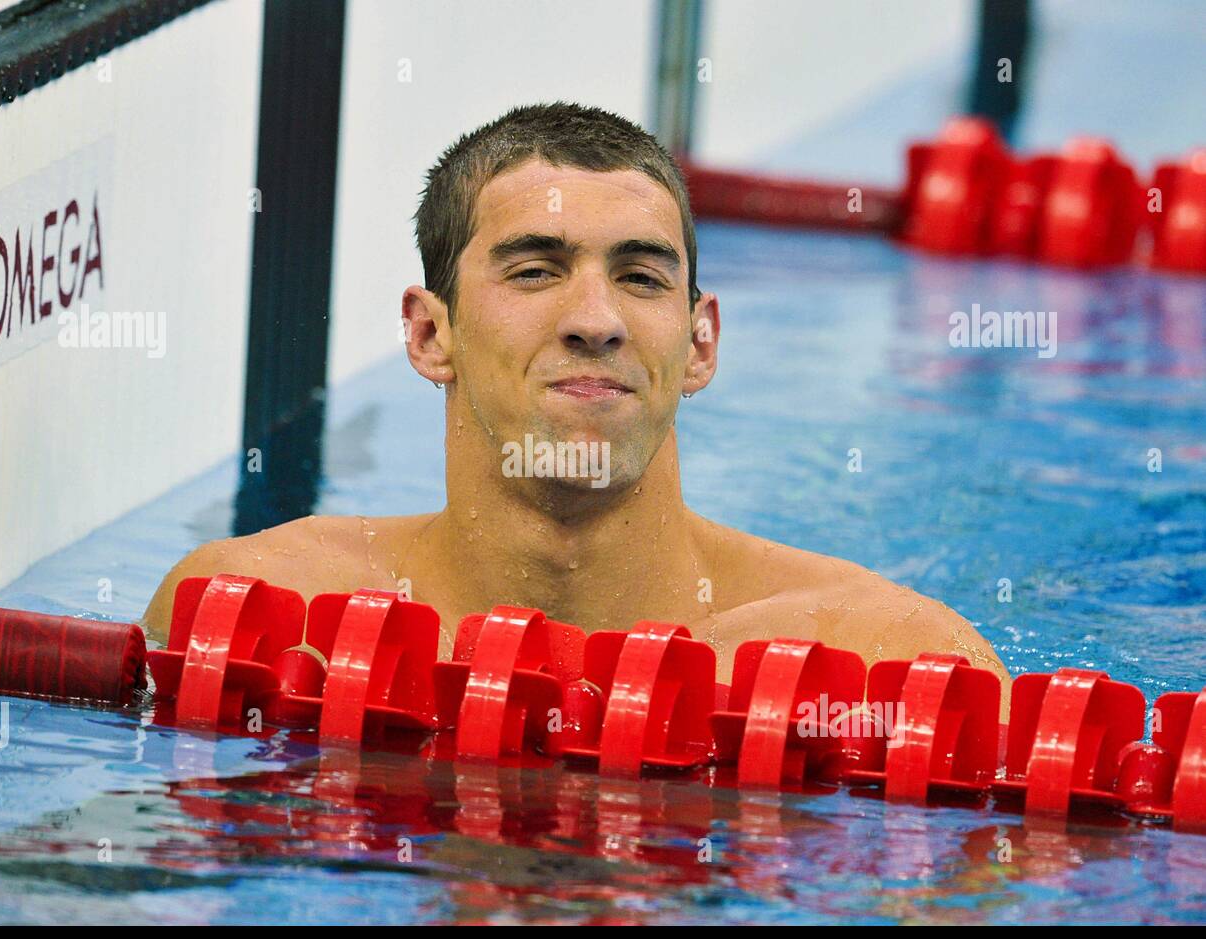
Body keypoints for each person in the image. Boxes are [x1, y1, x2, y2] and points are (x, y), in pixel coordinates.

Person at [143, 101, 1009, 706]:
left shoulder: (888, 658)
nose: (595, 321)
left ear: (700, 343)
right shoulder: (255, 614)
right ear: (427, 335)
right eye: (534, 271)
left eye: (639, 277)